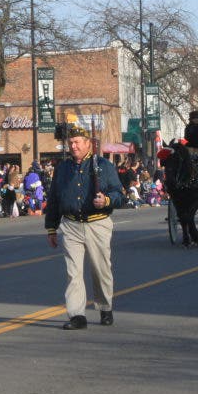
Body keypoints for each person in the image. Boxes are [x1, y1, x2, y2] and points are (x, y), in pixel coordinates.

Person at [44, 126, 125, 330]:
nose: (73, 146)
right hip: (71, 224)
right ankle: (77, 315)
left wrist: (106, 200)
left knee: (101, 269)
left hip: (97, 222)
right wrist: (51, 228)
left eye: (78, 142)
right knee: (74, 272)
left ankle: (105, 307)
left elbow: (118, 194)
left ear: (88, 143)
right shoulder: (62, 168)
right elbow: (54, 198)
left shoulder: (104, 166)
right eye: (71, 143)